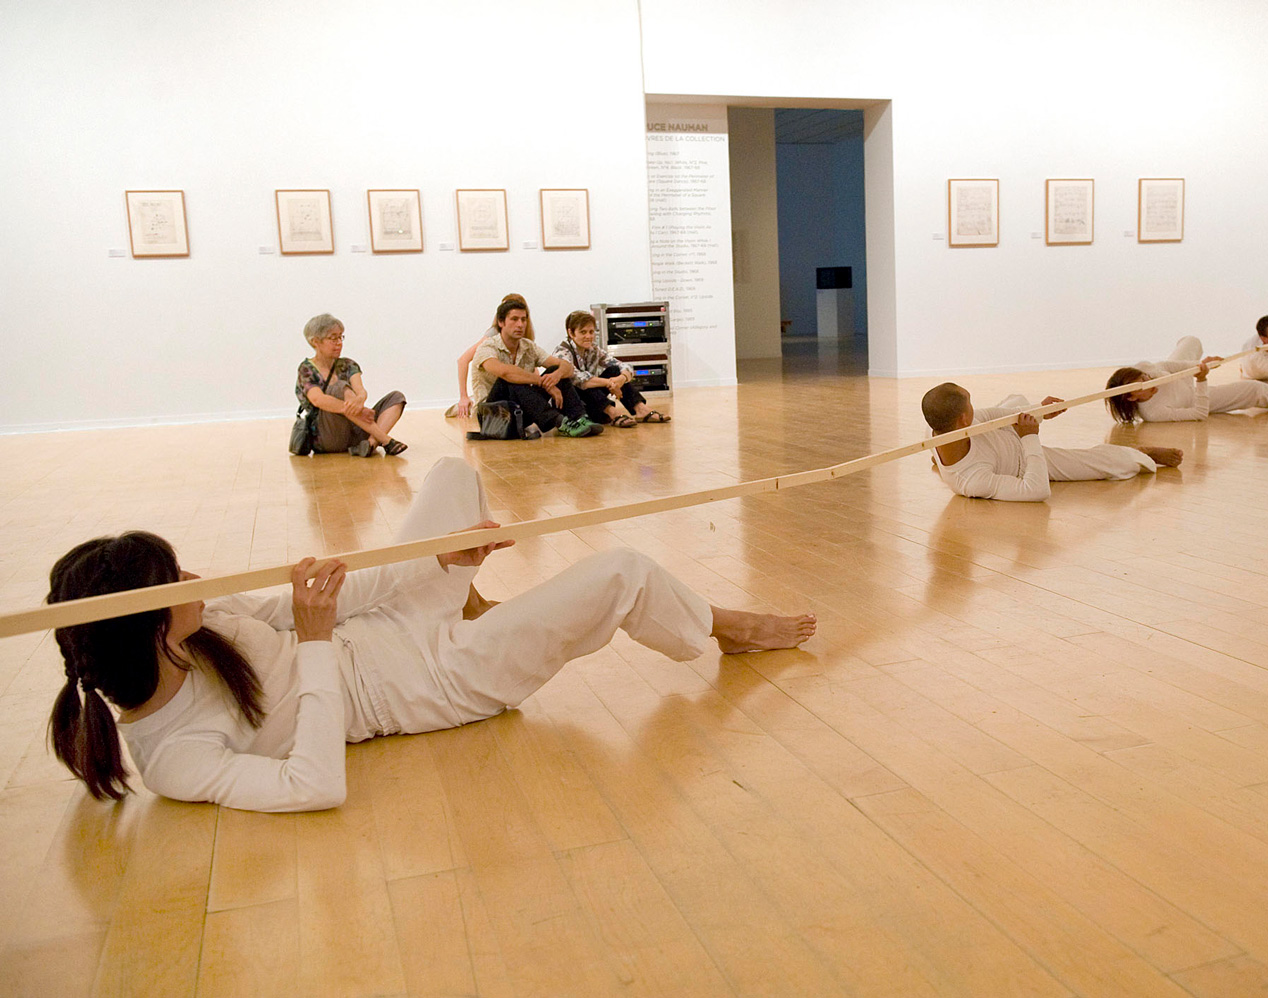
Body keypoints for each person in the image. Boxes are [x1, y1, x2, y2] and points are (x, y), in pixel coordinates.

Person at [45, 458, 818, 812]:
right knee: (620, 570)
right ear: (147, 630)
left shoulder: (205, 617)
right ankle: (723, 626)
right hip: (426, 685)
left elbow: (345, 596)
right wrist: (314, 642)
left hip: (385, 628)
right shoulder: (176, 758)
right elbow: (312, 785)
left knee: (452, 481)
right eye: (174, 578)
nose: (193, 579)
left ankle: (470, 601)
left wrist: (437, 559)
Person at [921, 383, 1181, 501]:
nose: (974, 408)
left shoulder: (939, 427)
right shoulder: (971, 480)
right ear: (963, 420)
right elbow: (1036, 491)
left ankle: (940, 458)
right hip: (1023, 460)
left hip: (1004, 433)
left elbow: (987, 415)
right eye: (970, 403)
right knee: (1099, 464)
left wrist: (1036, 411)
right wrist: (1029, 437)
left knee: (1016, 399)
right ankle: (1137, 453)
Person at [1105, 336, 1268, 423]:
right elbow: (1199, 414)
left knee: (1191, 341)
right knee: (1254, 388)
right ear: (1132, 396)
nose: (1150, 381)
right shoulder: (1154, 413)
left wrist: (1200, 366)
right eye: (1145, 384)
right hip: (1195, 397)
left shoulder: (1144, 370)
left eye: (1146, 377)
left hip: (1182, 376)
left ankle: (1196, 357)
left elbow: (1168, 366)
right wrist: (1202, 381)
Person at [468, 300, 600, 438]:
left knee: (555, 369)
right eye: (514, 319)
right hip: (492, 417)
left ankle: (579, 418)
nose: (520, 324)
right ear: (501, 323)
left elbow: (567, 367)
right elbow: (505, 373)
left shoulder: (528, 346)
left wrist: (556, 376)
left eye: (523, 320)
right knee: (510, 380)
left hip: (519, 412)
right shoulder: (487, 348)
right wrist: (542, 382)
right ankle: (560, 422)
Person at [295, 314, 407, 456]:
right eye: (333, 338)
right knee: (339, 386)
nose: (339, 342)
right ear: (315, 342)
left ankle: (371, 443)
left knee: (396, 397)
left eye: (340, 337)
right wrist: (358, 411)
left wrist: (360, 401)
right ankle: (386, 440)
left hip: (354, 431)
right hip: (327, 435)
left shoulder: (348, 364)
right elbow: (318, 400)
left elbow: (361, 391)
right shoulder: (306, 369)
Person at [553, 310, 671, 427]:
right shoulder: (562, 352)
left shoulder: (593, 349)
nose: (588, 336)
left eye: (591, 332)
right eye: (583, 332)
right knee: (587, 383)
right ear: (571, 333)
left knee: (614, 370)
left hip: (593, 402)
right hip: (571, 407)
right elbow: (579, 379)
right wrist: (610, 383)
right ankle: (612, 413)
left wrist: (621, 378)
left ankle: (641, 409)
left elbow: (624, 366)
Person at [449, 293, 535, 419]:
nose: (519, 323)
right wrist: (463, 396)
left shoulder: (525, 337)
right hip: (495, 392)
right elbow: (463, 360)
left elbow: (529, 365)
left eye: (522, 319)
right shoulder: (493, 335)